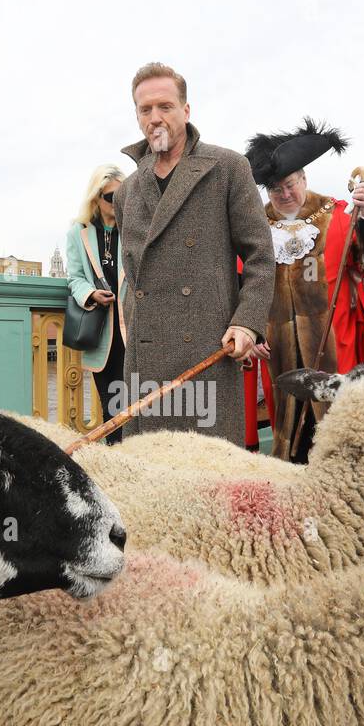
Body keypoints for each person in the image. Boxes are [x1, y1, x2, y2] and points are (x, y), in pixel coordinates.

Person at [112, 62, 274, 446]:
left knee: (212, 480)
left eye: (165, 106)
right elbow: (133, 279)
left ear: (186, 110)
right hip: (146, 360)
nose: (155, 118)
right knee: (152, 476)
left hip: (207, 354)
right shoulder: (126, 192)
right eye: (145, 109)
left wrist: (247, 323)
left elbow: (260, 256)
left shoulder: (228, 168)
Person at [244, 118, 364, 461]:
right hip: (276, 352)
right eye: (275, 189)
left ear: (305, 177)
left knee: (338, 439)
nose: (285, 194)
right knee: (288, 443)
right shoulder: (255, 226)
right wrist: (253, 330)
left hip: (333, 345)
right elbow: (245, 283)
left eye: (291, 184)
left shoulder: (337, 214)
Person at [64, 164, 127, 443]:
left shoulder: (136, 228)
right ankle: (116, 462)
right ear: (96, 198)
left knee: (140, 405)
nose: (117, 202)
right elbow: (75, 277)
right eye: (110, 197)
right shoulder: (78, 233)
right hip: (102, 332)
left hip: (134, 330)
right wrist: (90, 294)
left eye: (123, 194)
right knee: (112, 406)